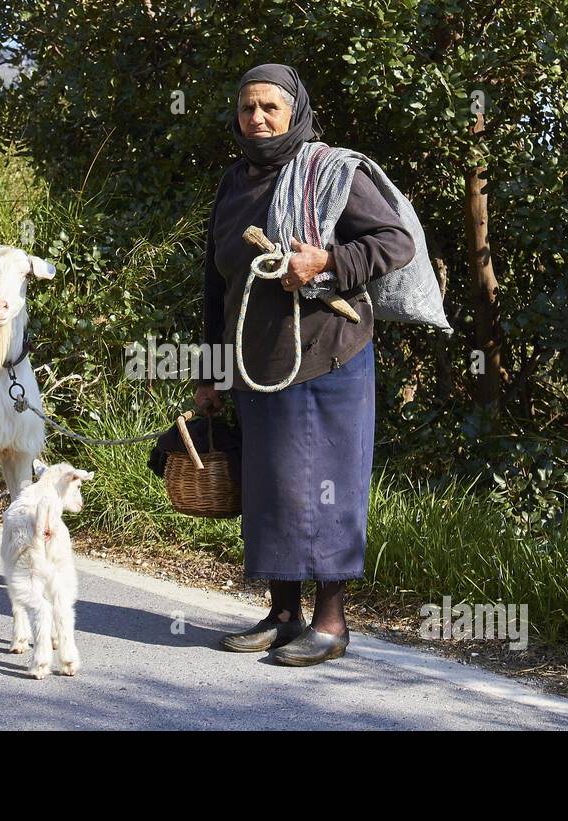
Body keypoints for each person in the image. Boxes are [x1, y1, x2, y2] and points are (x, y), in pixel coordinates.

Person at [194, 64, 415, 666]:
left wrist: (325, 262)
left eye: (269, 106)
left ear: (294, 111)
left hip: (327, 355)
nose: (257, 118)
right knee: (272, 487)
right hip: (255, 360)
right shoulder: (234, 181)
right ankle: (284, 613)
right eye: (246, 109)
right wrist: (210, 369)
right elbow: (217, 283)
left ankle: (332, 622)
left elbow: (396, 242)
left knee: (329, 486)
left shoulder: (330, 170)